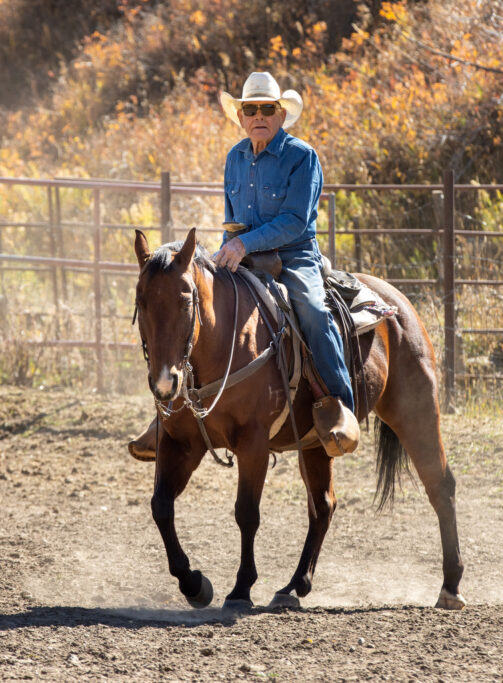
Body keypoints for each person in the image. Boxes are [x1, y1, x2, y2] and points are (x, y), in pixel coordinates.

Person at [129, 71, 359, 460]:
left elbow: (295, 221)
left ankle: (339, 405)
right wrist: (223, 253)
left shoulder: (302, 157)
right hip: (243, 254)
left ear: (281, 115)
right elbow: (231, 219)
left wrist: (243, 244)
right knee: (199, 314)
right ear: (240, 117)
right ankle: (171, 413)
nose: (258, 116)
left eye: (267, 109)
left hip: (294, 256)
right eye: (250, 109)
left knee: (313, 311)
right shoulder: (235, 158)